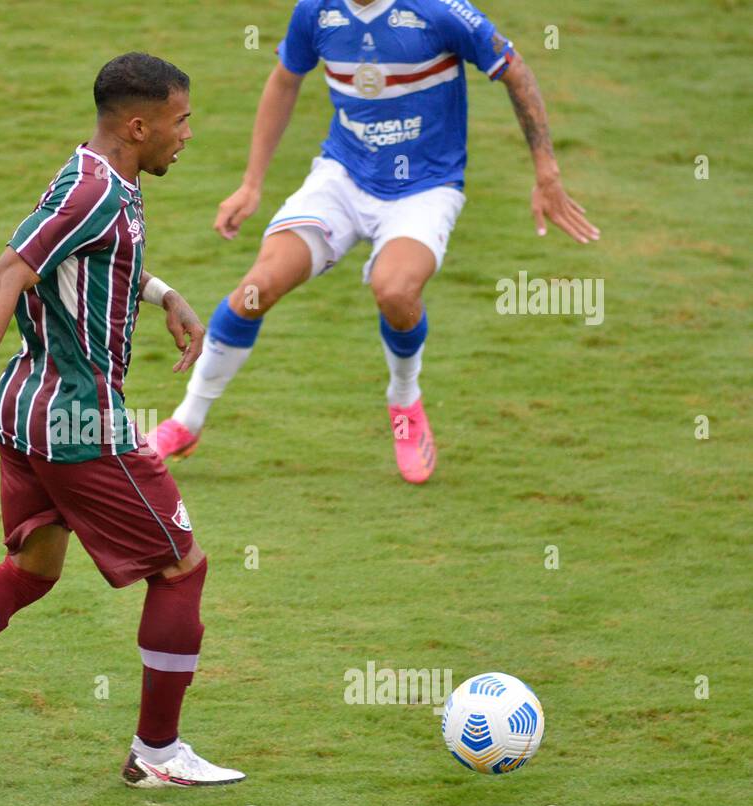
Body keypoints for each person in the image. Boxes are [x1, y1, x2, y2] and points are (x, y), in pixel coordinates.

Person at [0, 52, 245, 789]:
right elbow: (4, 275)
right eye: (181, 120)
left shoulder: (99, 176)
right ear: (138, 125)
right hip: (79, 423)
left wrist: (163, 293)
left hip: (28, 412)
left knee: (34, 570)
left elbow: (91, 260)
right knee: (179, 568)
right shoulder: (95, 192)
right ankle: (158, 753)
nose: (188, 134)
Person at [146, 0, 599, 483]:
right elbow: (284, 79)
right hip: (342, 178)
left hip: (426, 187)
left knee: (395, 289)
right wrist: (252, 183)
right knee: (257, 287)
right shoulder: (316, 13)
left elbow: (514, 70)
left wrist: (547, 171)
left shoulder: (440, 12)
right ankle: (186, 422)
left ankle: (405, 402)